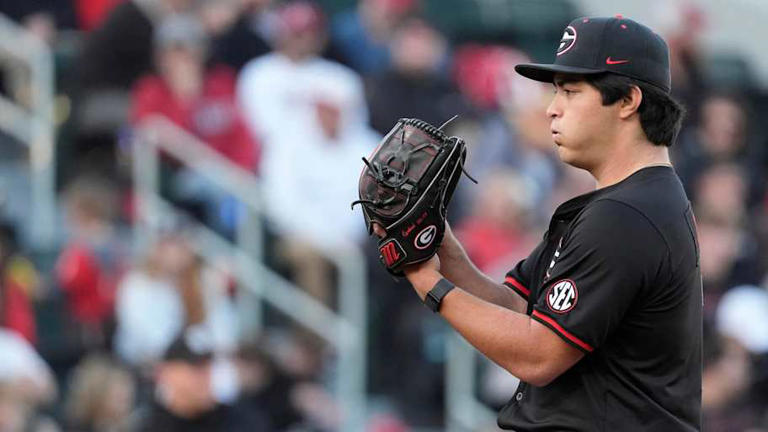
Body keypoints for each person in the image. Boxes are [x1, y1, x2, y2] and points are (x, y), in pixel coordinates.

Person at [376, 16, 701, 430]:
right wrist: (444, 248)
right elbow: (521, 311)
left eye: (570, 91)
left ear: (627, 101)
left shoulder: (627, 216)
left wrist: (423, 279)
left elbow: (538, 355)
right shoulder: (628, 203)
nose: (551, 108)